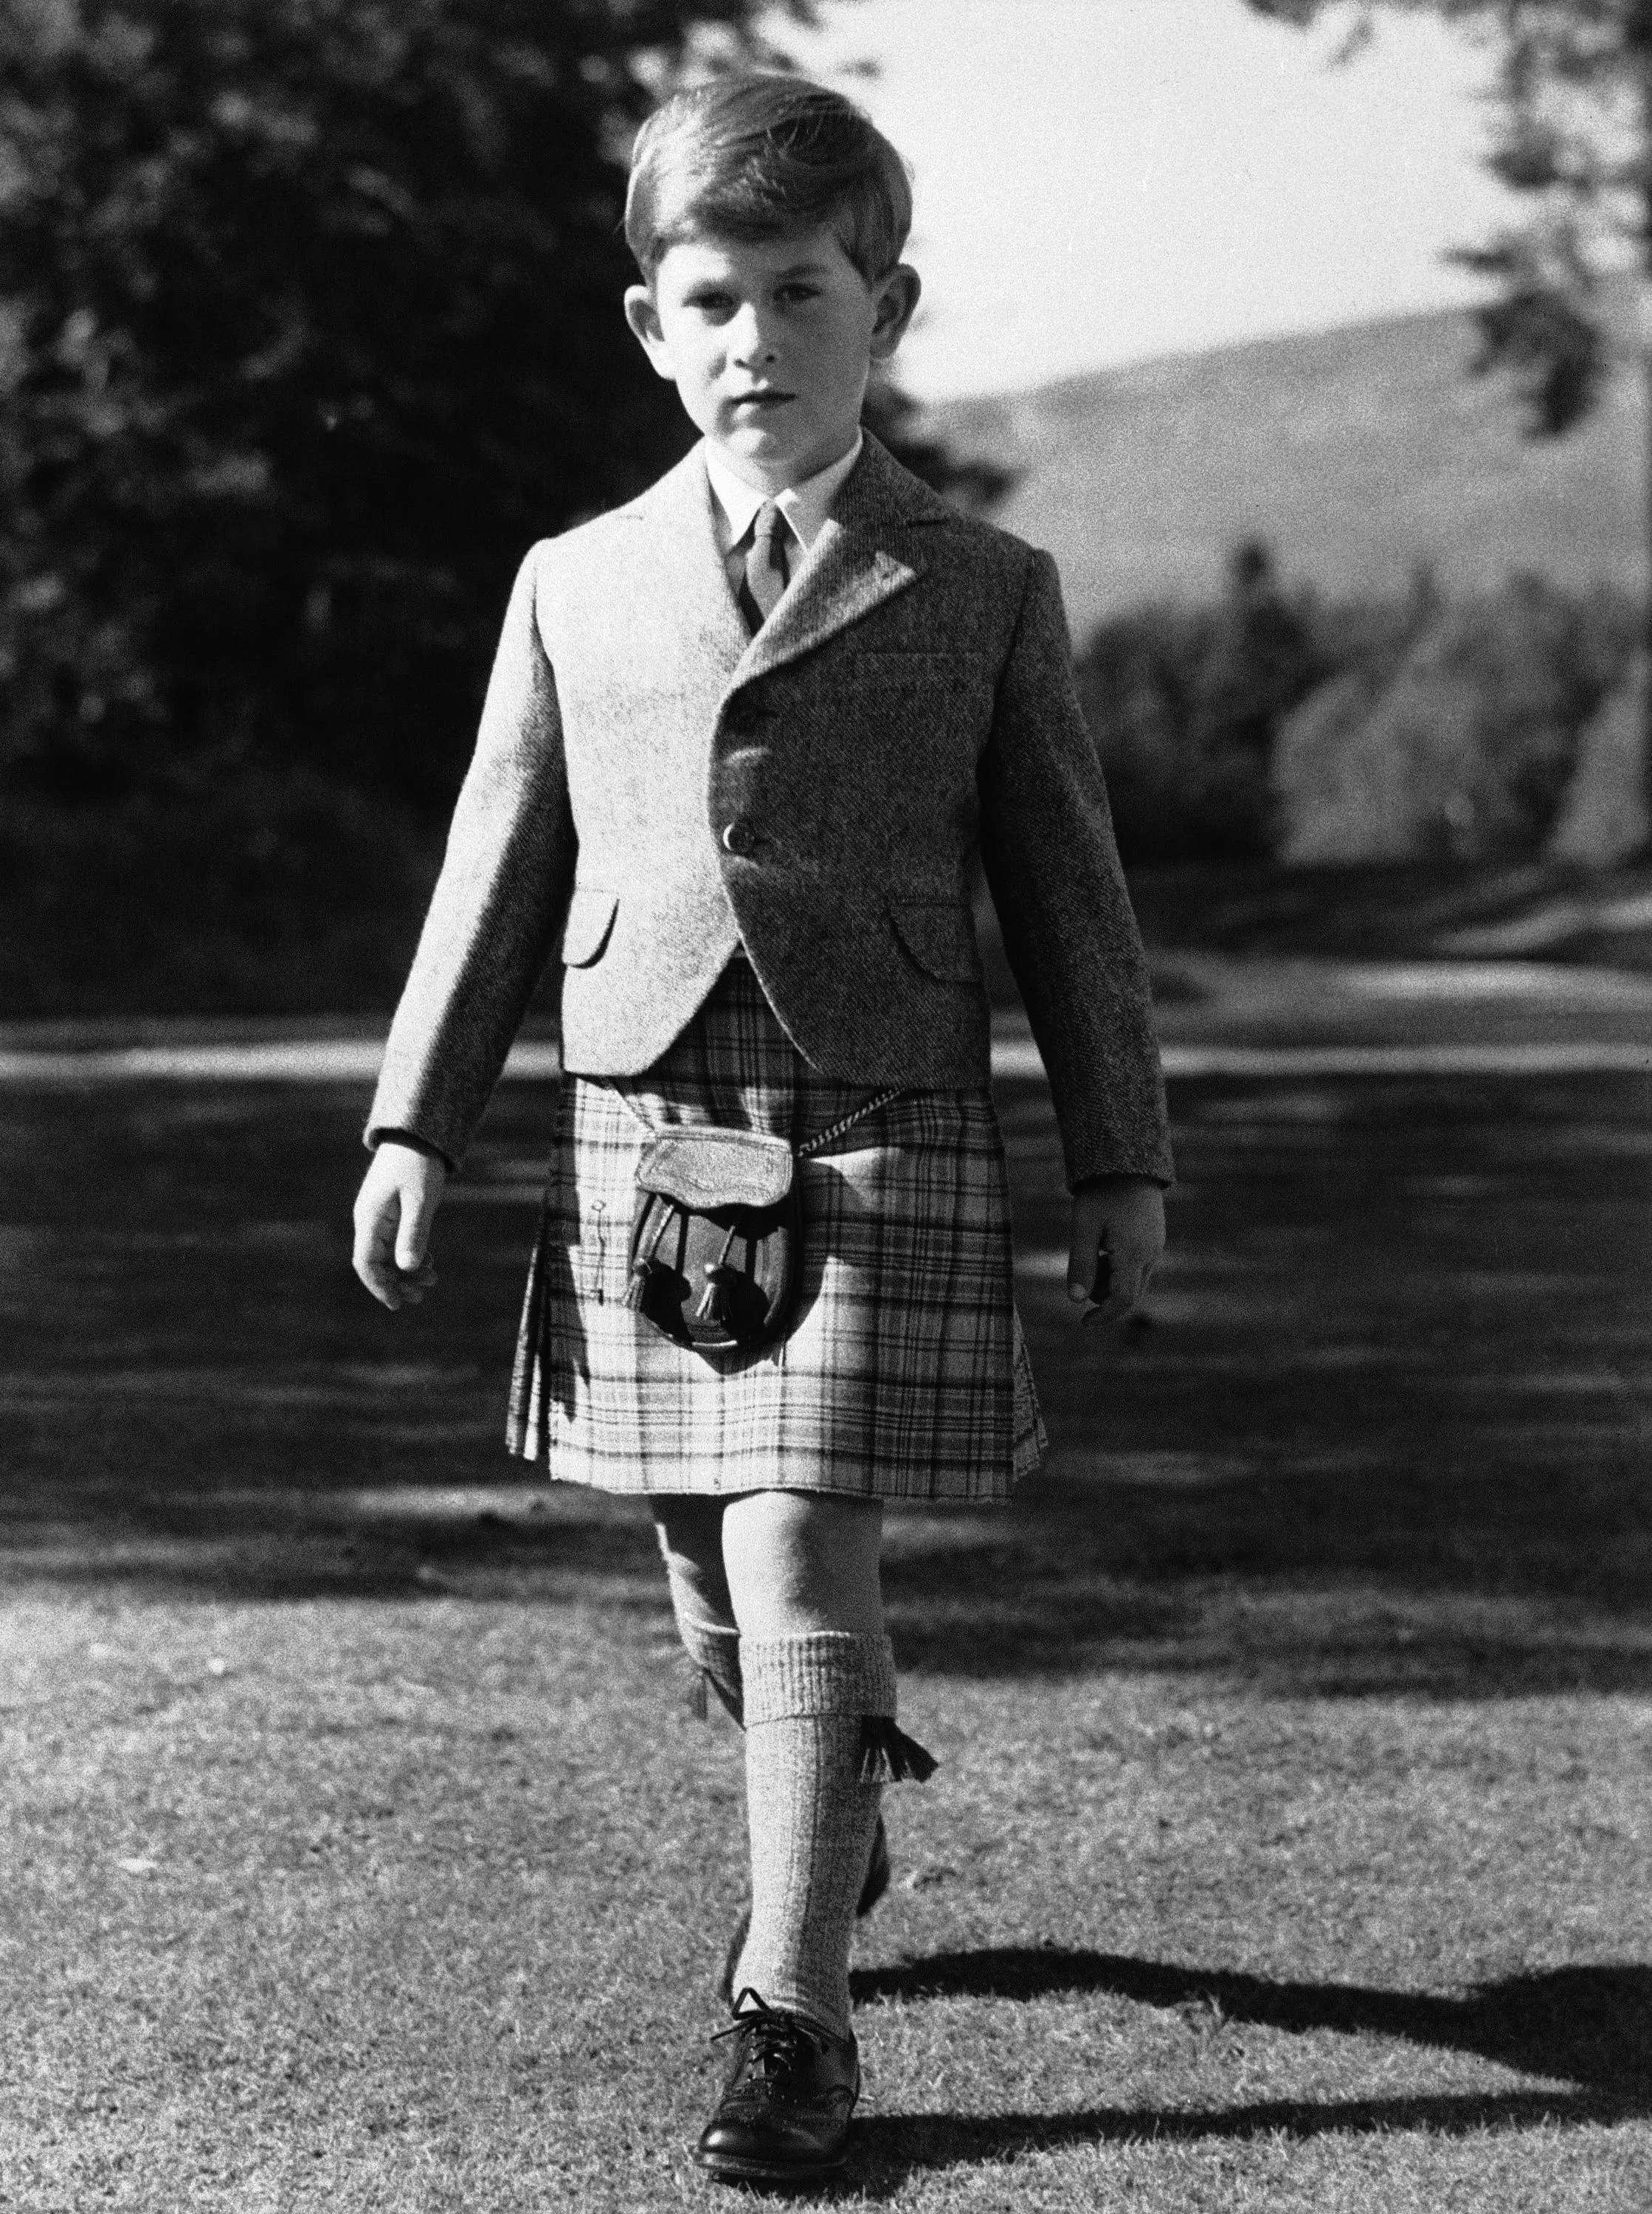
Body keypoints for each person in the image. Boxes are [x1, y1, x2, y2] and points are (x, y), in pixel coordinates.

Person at [351, 73, 1172, 2189]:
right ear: (649, 322)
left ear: (883, 308)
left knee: (801, 1536)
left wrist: (1122, 1164)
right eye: (707, 298)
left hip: (878, 1104)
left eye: (796, 294)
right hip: (643, 1102)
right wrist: (414, 1119)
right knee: (696, 1554)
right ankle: (843, 1786)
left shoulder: (980, 585)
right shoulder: (577, 577)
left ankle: (791, 2020)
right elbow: (493, 859)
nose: (751, 341)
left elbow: (1069, 893)